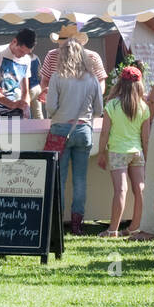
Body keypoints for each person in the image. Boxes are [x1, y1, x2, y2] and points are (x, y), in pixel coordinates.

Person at [45, 36, 104, 235]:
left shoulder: (56, 77)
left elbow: (51, 108)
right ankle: (77, 224)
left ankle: (57, 222)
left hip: (60, 130)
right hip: (84, 130)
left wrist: (62, 113)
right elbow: (99, 109)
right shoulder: (92, 78)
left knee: (58, 179)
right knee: (80, 180)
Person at [96, 66, 151, 239]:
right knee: (140, 190)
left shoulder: (112, 105)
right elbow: (146, 138)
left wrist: (101, 152)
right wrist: (147, 158)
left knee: (121, 191)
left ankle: (112, 230)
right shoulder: (143, 107)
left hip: (117, 151)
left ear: (120, 82)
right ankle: (135, 227)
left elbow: (104, 133)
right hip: (137, 152)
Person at [0, 29, 35, 117]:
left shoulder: (26, 60)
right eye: (21, 51)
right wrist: (11, 104)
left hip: (15, 113)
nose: (22, 55)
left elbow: (25, 91)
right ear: (14, 41)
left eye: (26, 53)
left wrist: (26, 108)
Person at [41, 23, 107, 94]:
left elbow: (100, 83)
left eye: (68, 46)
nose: (63, 47)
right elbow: (45, 81)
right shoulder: (51, 55)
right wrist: (48, 91)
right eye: (61, 43)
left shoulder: (92, 56)